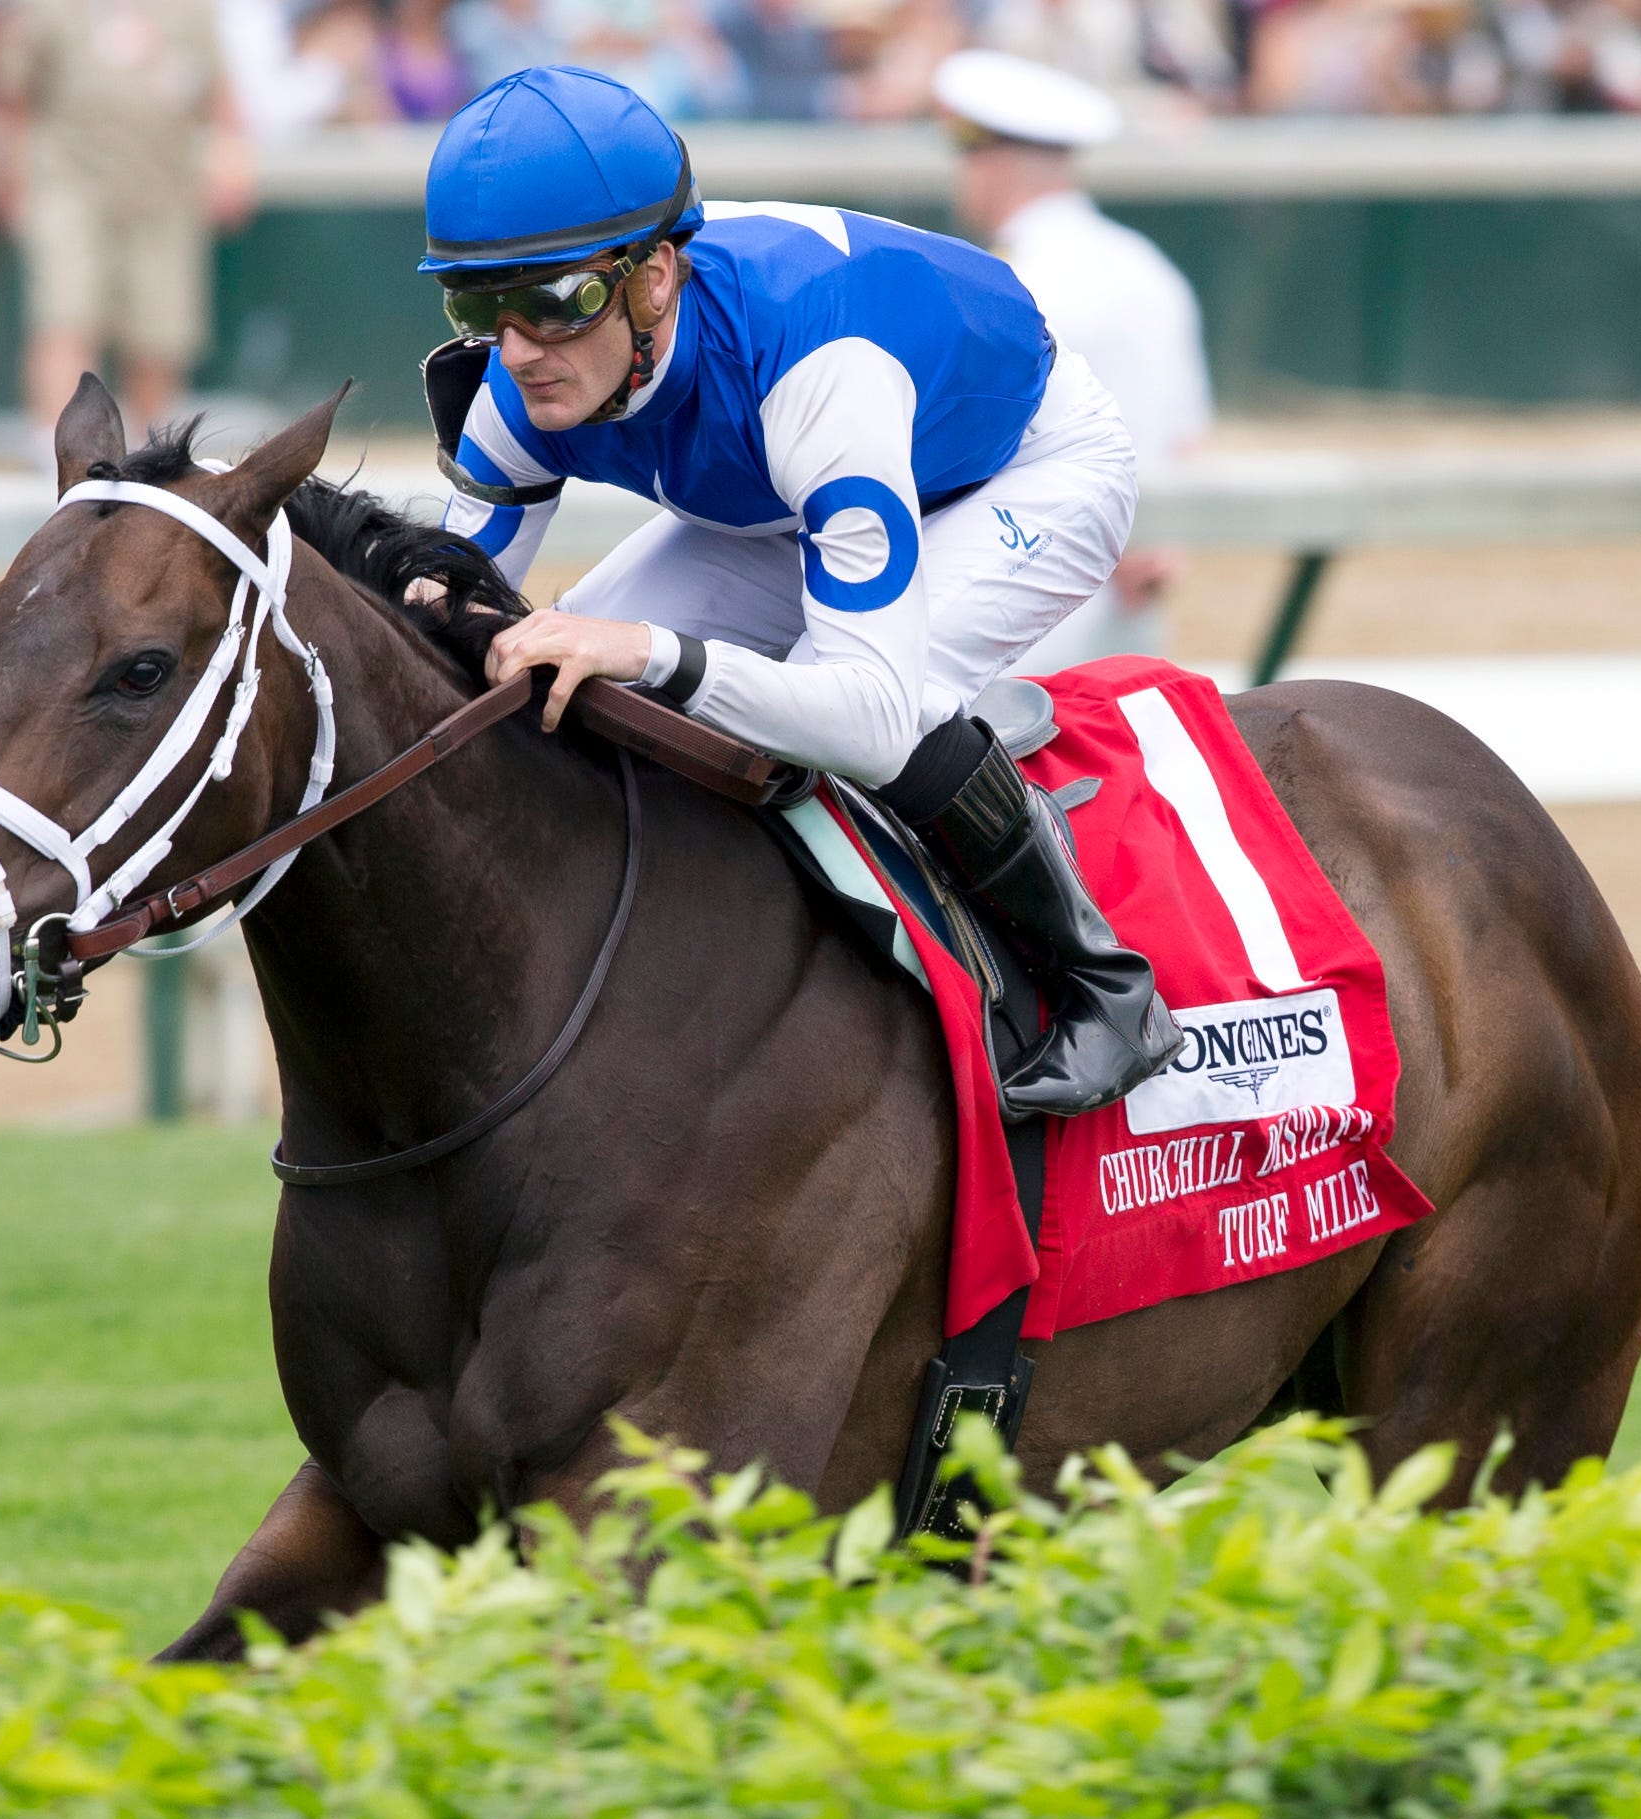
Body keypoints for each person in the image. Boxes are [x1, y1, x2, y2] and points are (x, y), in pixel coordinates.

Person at [422, 65, 1179, 1118]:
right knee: (551, 692)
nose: (517, 351)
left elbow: (866, 719)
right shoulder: (523, 372)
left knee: (883, 701)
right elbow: (440, 616)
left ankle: (1104, 988)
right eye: (480, 304)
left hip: (1023, 468)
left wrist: (647, 651)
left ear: (653, 279)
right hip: (782, 496)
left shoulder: (818, 368)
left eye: (554, 302)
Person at [934, 49, 1210, 671]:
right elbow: (1189, 432)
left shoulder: (1004, 282)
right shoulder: (1145, 263)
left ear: (990, 160)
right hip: (1135, 576)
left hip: (1022, 568)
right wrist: (1155, 542)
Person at [0, 0, 255, 444]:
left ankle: (153, 454)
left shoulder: (192, 12)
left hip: (163, 193)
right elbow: (15, 96)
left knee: (158, 336)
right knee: (66, 316)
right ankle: (58, 451)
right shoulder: (51, 11)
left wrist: (232, 165)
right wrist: (8, 173)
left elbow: (220, 98)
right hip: (70, 185)